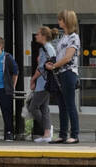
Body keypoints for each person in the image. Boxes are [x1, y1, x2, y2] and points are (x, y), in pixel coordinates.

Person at [47, 9, 82, 143]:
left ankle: (74, 134)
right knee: (62, 105)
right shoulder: (64, 37)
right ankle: (62, 134)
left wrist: (54, 66)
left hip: (68, 73)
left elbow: (68, 58)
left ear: (66, 21)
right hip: (61, 73)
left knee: (70, 104)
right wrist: (54, 63)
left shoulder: (74, 37)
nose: (58, 22)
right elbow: (61, 56)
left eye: (60, 19)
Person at [29, 26, 57, 143]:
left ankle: (48, 128)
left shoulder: (48, 49)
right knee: (44, 108)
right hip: (42, 82)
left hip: (44, 83)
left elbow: (42, 68)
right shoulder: (43, 49)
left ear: (44, 36)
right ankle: (46, 134)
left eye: (38, 34)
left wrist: (32, 79)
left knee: (33, 107)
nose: (36, 36)